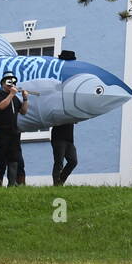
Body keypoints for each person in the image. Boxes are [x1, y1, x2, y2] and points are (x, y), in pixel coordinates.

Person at [0, 73, 30, 186]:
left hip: (13, 132)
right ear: (3, 83)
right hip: (1, 131)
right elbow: (1, 106)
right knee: (1, 158)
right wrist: (11, 94)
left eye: (13, 82)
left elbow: (23, 111)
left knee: (14, 158)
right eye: (9, 82)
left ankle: (12, 184)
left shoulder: (15, 99)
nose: (11, 85)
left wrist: (25, 98)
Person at [51, 50, 80, 186]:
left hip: (69, 134)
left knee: (73, 160)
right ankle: (56, 184)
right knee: (59, 161)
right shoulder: (59, 85)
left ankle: (60, 181)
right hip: (58, 134)